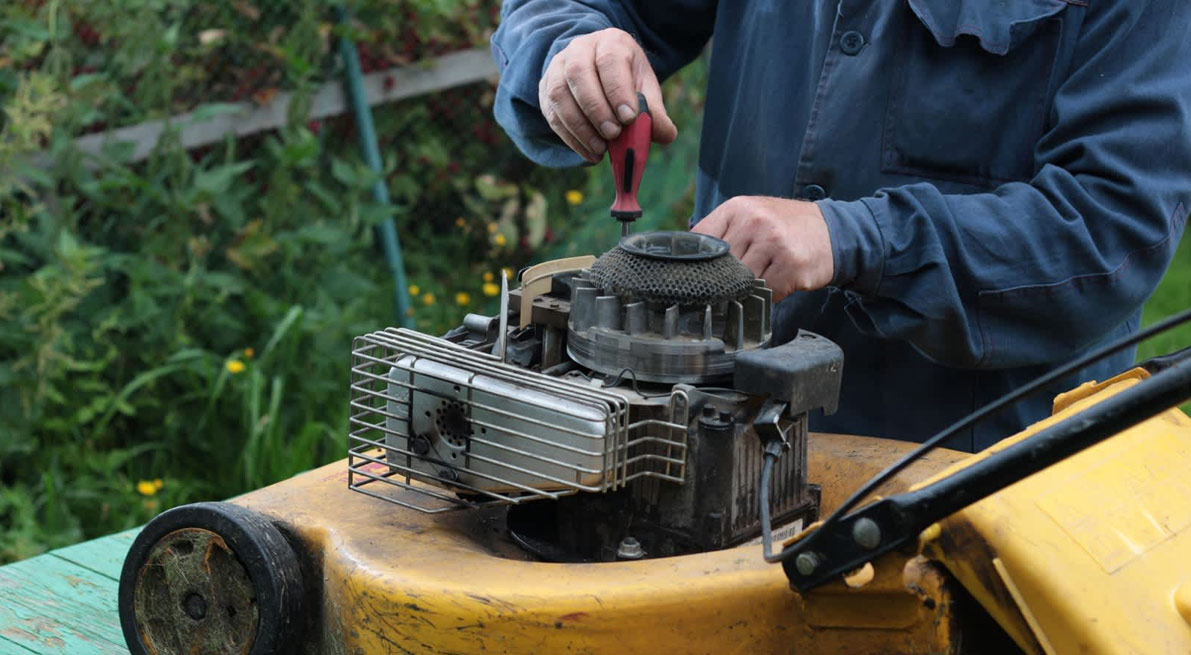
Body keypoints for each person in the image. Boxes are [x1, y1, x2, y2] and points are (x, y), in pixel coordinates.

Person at [489, 1, 1191, 451]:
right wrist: (569, 47)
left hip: (975, 482)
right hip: (720, 435)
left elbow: (1109, 224)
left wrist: (856, 238)